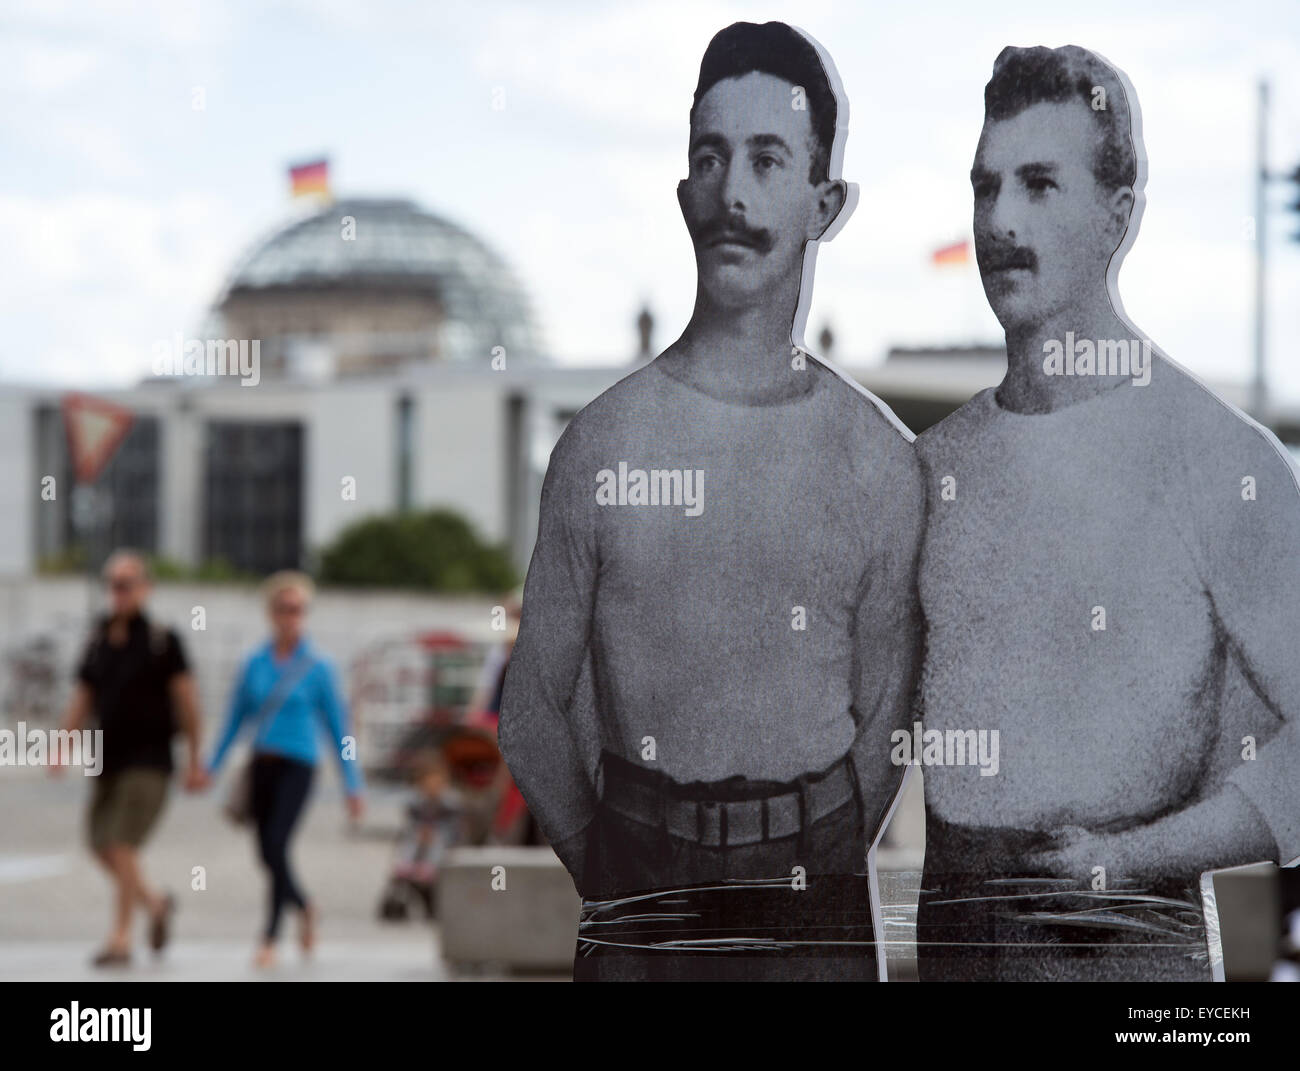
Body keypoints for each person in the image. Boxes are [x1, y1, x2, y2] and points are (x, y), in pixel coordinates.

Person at [499, 21, 924, 981]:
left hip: (814, 883)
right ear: (684, 188)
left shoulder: (880, 463)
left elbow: (886, 727)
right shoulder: (600, 446)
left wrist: (811, 851)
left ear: (826, 201)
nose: (733, 193)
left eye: (769, 160)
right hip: (638, 876)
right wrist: (606, 872)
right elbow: (531, 706)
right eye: (710, 157)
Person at [914, 45, 1300, 981]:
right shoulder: (931, 469)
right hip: (953, 937)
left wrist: (1131, 858)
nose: (1001, 220)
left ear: (1118, 215)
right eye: (986, 186)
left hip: (1132, 951)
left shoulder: (1220, 459)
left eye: (1041, 185)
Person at [200, 571, 365, 969]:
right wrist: (211, 765)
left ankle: (270, 936)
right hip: (261, 764)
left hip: (299, 765)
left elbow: (339, 729)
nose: (292, 616)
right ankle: (305, 905)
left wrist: (352, 784)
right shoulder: (254, 663)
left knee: (277, 842)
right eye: (285, 609)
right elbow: (234, 719)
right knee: (264, 852)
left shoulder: (319, 667)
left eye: (299, 609)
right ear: (271, 613)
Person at [54, 549, 203, 967]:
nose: (117, 593)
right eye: (112, 584)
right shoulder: (99, 637)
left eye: (125, 584)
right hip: (107, 759)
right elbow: (83, 696)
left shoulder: (162, 640)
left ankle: (120, 938)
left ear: (145, 588)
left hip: (150, 760)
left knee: (121, 846)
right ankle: (155, 905)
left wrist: (195, 759)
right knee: (98, 844)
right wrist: (62, 745)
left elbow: (188, 702)